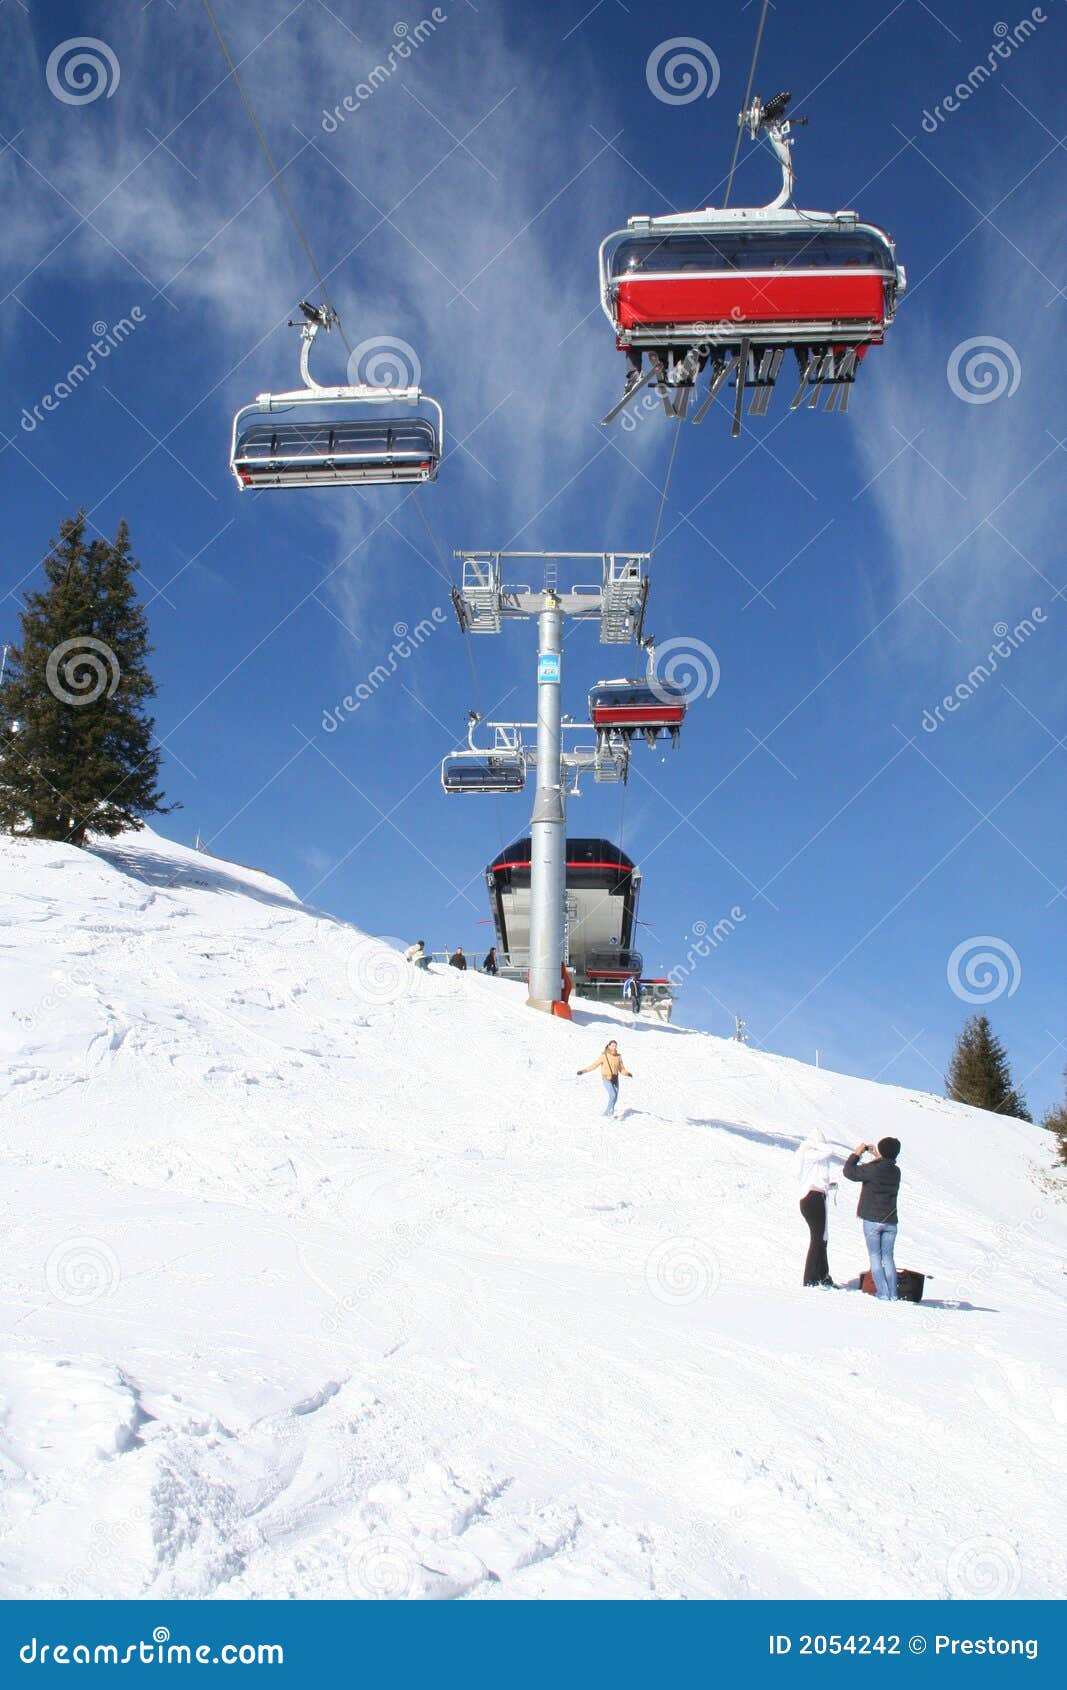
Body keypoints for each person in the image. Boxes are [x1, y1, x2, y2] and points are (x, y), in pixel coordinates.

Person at [843, 1137, 902, 1301]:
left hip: (872, 1219)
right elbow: (884, 1166)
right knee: (888, 1257)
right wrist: (878, 1155)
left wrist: (857, 1153)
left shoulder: (873, 1169)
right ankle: (893, 1293)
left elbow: (849, 1172)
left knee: (875, 1257)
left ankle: (883, 1293)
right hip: (891, 1221)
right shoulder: (896, 1171)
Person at [794, 1126, 838, 1288]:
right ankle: (811, 1278)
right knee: (817, 1238)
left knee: (821, 1238)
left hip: (816, 1197)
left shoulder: (812, 1157)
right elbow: (829, 1151)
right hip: (813, 1199)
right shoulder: (810, 1154)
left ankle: (822, 1274)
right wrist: (815, 1143)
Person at [577, 1040, 632, 1117]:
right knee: (612, 1095)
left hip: (615, 1079)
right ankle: (608, 1113)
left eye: (615, 1046)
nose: (614, 1047)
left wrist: (627, 1073)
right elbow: (594, 1065)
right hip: (606, 1078)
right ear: (609, 1046)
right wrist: (583, 1071)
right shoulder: (604, 1056)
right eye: (612, 1045)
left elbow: (621, 1069)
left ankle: (608, 1112)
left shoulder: (618, 1056)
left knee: (615, 1097)